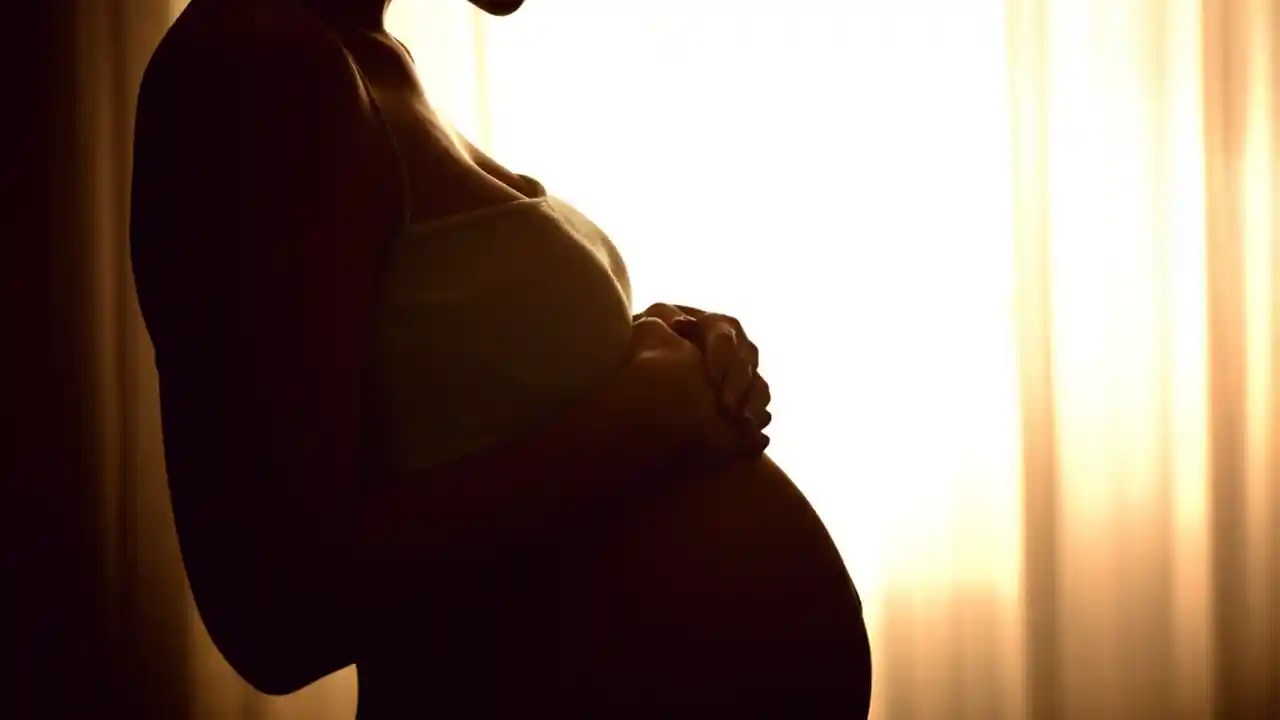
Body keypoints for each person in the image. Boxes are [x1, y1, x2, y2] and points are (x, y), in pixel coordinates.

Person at [130, 0, 873, 715]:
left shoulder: (363, 56)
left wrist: (652, 343)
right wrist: (645, 415)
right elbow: (278, 615)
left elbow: (448, 398)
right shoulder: (256, 65)